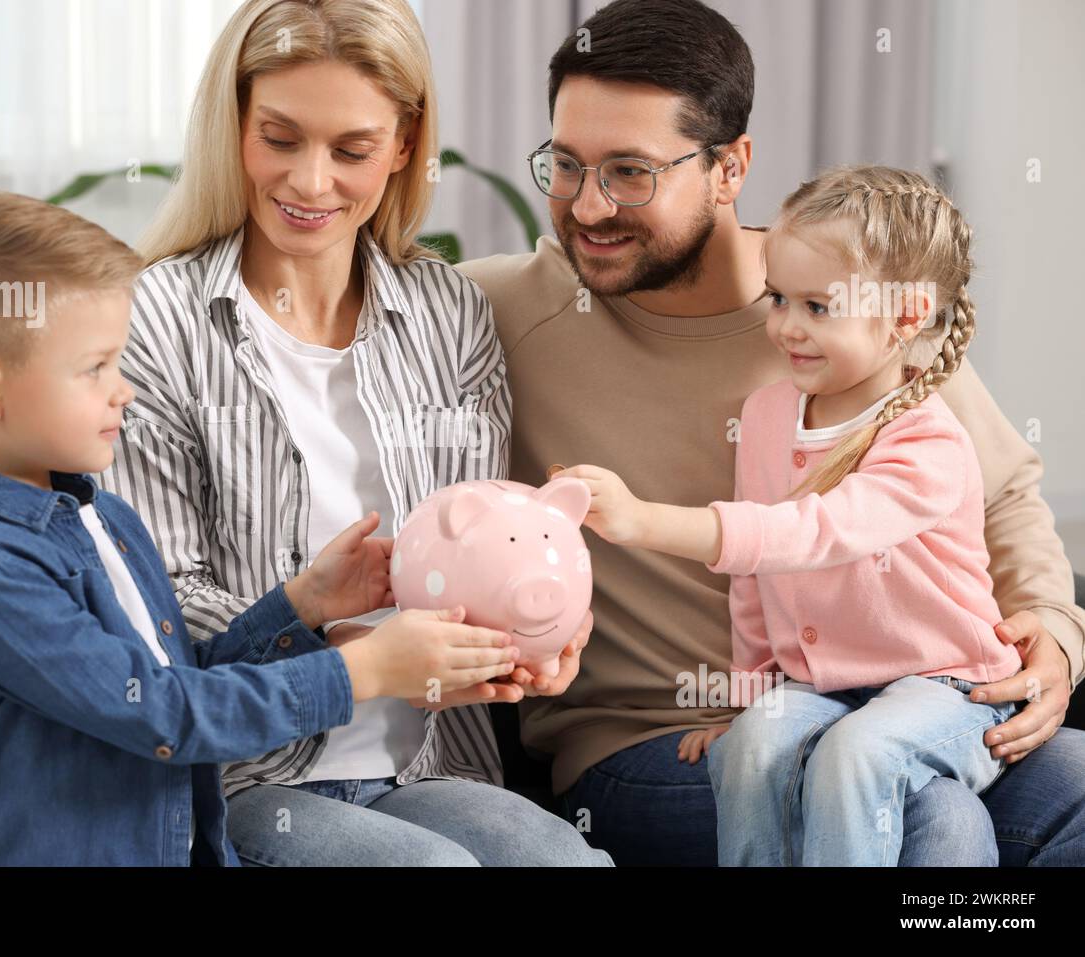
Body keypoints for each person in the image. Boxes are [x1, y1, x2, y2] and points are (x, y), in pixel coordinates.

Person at [0, 0, 610, 867]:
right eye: (280, 138)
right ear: (234, 125)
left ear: (405, 145)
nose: (310, 181)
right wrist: (354, 654)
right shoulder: (149, 322)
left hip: (430, 759)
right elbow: (157, 622)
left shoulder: (450, 312)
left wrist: (523, 642)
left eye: (353, 149)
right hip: (249, 777)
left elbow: (492, 543)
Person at [457, 0, 1085, 866]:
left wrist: (1052, 628)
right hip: (661, 739)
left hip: (899, 694)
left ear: (730, 167)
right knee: (934, 822)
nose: (589, 206)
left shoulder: (852, 315)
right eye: (566, 164)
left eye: (630, 172)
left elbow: (1004, 492)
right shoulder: (493, 310)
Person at [0, 189, 521, 865]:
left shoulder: (103, 516)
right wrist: (358, 670)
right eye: (94, 368)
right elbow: (163, 714)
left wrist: (300, 606)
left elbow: (177, 676)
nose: (122, 388)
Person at [558, 165, 1023, 865]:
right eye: (778, 298)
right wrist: (747, 700)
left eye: (818, 307)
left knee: (857, 753)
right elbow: (756, 581)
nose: (786, 328)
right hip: (823, 682)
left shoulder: (927, 441)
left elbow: (810, 534)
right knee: (752, 747)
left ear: (906, 315)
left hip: (951, 686)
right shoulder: (768, 415)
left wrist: (642, 520)